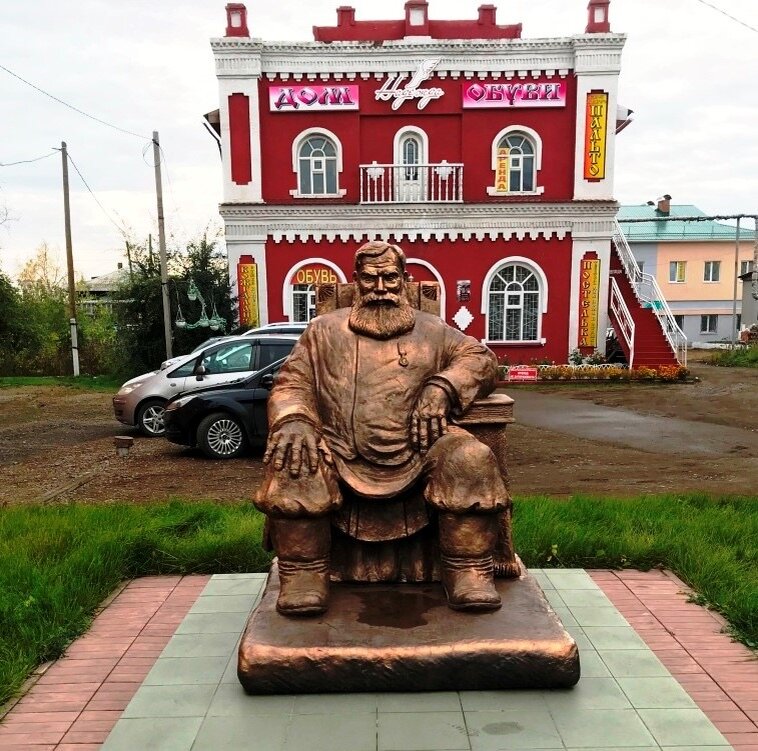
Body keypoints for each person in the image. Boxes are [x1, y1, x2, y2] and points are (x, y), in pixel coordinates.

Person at [255, 241, 509, 616]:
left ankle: (467, 570)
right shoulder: (323, 331)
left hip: (420, 451)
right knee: (297, 454)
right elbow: (291, 382)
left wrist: (444, 386)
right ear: (355, 281)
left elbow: (483, 361)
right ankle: (304, 573)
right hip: (340, 450)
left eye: (390, 277)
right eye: (370, 278)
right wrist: (294, 419)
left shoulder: (434, 331)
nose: (380, 287)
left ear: (405, 281)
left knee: (470, 457)